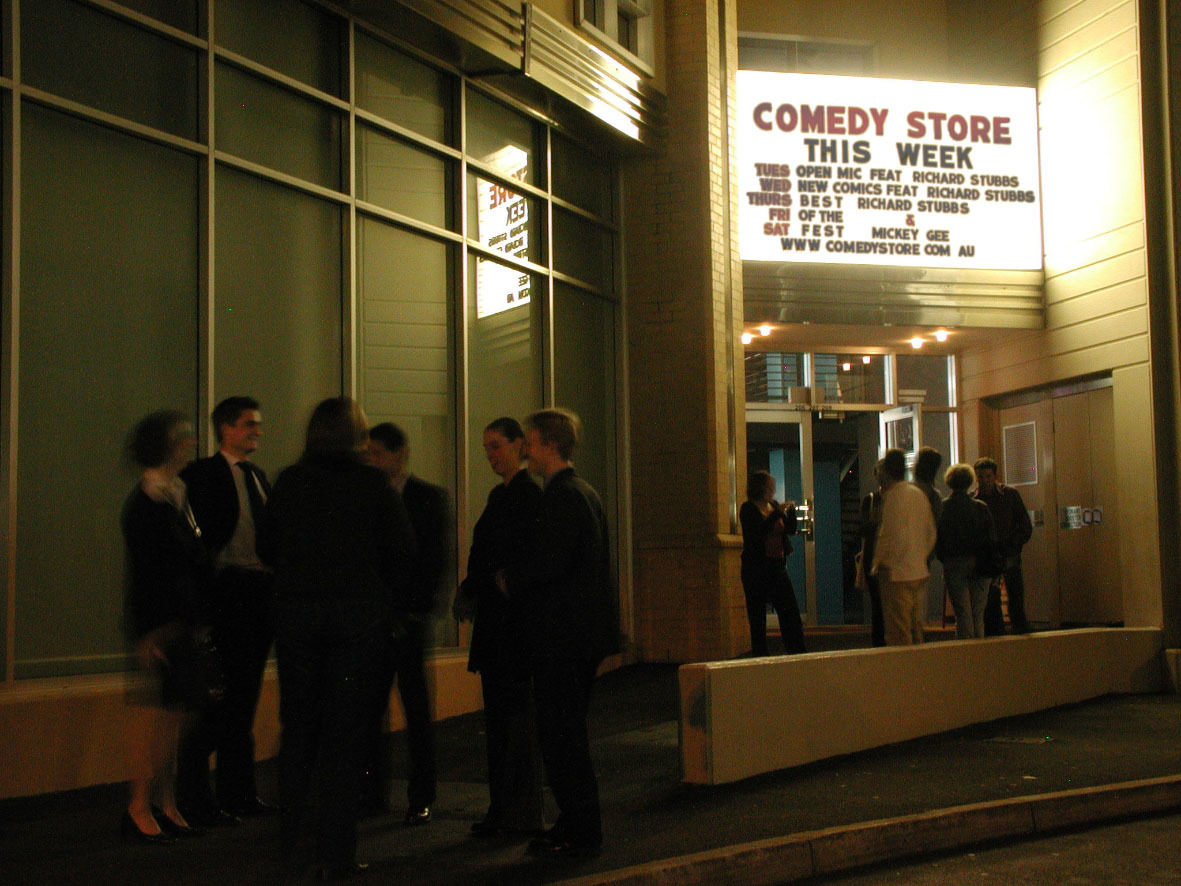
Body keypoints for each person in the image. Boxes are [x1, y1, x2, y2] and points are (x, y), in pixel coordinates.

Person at [258, 397, 415, 880]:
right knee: (345, 736)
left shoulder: (289, 481)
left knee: (300, 726)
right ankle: (337, 850)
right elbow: (402, 551)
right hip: (356, 622)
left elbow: (267, 547)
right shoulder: (371, 485)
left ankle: (289, 838)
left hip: (298, 619)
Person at [502, 408, 619, 857]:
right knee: (566, 734)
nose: (524, 449)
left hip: (562, 640)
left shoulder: (562, 499)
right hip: (580, 638)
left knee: (561, 737)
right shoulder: (584, 494)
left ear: (549, 444)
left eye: (529, 440)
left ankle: (581, 830)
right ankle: (574, 823)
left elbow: (549, 566)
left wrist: (510, 579)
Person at [178, 396, 276, 825]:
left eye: (257, 423)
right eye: (248, 424)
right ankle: (201, 796)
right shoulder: (201, 475)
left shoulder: (257, 475)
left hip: (257, 594)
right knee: (219, 701)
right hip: (227, 593)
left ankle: (239, 792)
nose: (256, 430)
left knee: (244, 698)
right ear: (226, 429)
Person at [453, 417, 545, 839]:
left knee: (512, 721)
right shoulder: (507, 495)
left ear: (518, 446)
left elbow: (497, 555)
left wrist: (477, 584)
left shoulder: (523, 496)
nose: (491, 455)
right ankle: (506, 808)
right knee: (505, 722)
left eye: (496, 446)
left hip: (509, 626)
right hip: (501, 623)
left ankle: (514, 810)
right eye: (487, 448)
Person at [120, 410, 208, 844]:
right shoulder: (148, 502)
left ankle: (163, 799)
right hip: (161, 625)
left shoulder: (175, 495)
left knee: (176, 715)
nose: (189, 442)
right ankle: (141, 803)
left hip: (180, 621)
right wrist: (148, 632)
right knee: (161, 716)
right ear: (164, 446)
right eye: (181, 437)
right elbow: (146, 572)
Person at [363, 422, 451, 825]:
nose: (371, 461)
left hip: (409, 619)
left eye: (377, 453)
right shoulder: (368, 497)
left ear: (399, 454)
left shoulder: (427, 498)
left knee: (416, 710)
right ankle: (372, 792)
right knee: (371, 710)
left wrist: (417, 608)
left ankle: (421, 795)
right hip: (376, 619)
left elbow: (434, 560)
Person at [870, 448, 937, 646]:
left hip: (897, 573)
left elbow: (888, 534)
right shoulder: (918, 494)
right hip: (918, 570)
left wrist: (878, 562)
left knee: (898, 629)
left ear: (886, 472)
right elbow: (930, 532)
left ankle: (904, 671)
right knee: (915, 625)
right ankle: (920, 668)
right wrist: (920, 555)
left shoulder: (893, 497)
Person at [739, 470, 807, 657]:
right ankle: (760, 655)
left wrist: (790, 513)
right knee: (757, 615)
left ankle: (797, 651)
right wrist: (776, 513)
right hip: (756, 568)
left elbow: (790, 530)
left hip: (776, 565)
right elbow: (757, 533)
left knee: (790, 612)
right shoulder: (748, 509)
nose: (773, 490)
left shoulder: (772, 506)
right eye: (770, 486)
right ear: (760, 488)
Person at [972, 456, 1034, 635]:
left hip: (1005, 551)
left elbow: (1024, 525)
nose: (984, 481)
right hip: (997, 553)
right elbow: (1023, 525)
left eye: (988, 477)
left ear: (995, 476)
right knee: (995, 597)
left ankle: (1011, 627)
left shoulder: (1006, 496)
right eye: (981, 477)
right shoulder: (1005, 495)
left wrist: (1012, 545)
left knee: (1012, 592)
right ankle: (1010, 627)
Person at [937, 464, 998, 639]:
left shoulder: (944, 508)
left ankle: (966, 651)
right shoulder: (980, 507)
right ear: (970, 481)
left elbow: (939, 538)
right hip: (980, 564)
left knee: (963, 613)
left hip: (954, 563)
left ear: (950, 482)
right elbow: (991, 538)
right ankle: (979, 652)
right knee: (978, 613)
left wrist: (944, 558)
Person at [857, 460, 886, 647]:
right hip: (873, 555)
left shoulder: (899, 498)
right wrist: (875, 523)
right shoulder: (871, 500)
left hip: (884, 554)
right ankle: (878, 642)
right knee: (877, 603)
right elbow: (862, 529)